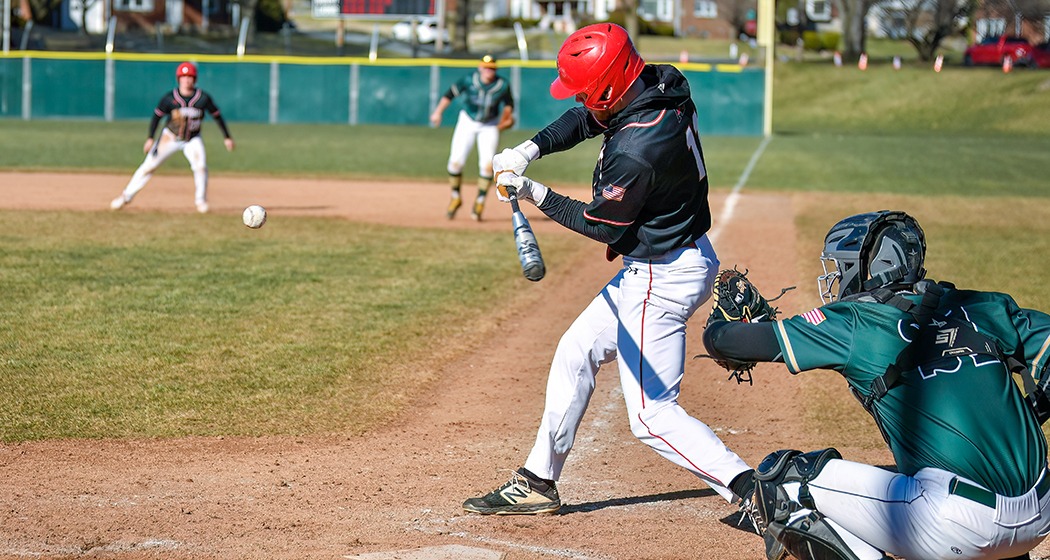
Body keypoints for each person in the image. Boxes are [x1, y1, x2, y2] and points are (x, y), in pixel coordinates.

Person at [461, 23, 754, 516]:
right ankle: (539, 480)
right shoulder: (660, 84)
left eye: (588, 91)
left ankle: (754, 491)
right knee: (576, 350)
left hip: (661, 275)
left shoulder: (637, 151)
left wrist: (534, 192)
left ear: (611, 86)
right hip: (674, 254)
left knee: (651, 415)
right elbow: (586, 117)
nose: (583, 100)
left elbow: (602, 227)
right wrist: (528, 150)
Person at [703, 210, 1050, 560]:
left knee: (781, 483)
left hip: (957, 526)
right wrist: (1036, 408)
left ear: (868, 266)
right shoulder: (981, 307)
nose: (836, 277)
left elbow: (728, 341)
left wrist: (717, 328)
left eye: (842, 266)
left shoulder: (857, 323)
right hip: (1041, 509)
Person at [111, 61, 235, 214]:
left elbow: (217, 116)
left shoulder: (203, 98)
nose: (187, 80)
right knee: (149, 165)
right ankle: (126, 196)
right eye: (183, 77)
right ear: (178, 79)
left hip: (193, 139)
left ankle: (201, 201)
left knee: (201, 167)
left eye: (190, 76)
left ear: (194, 79)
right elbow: (157, 117)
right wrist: (150, 138)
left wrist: (227, 137)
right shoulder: (170, 98)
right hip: (170, 137)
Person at [429, 54, 515, 221]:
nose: (488, 70)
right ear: (480, 67)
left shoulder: (502, 85)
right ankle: (456, 197)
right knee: (455, 162)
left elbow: (509, 104)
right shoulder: (469, 80)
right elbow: (449, 94)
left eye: (491, 67)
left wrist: (508, 116)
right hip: (467, 121)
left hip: (490, 124)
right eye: (485, 67)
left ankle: (480, 201)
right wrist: (438, 112)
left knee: (488, 166)